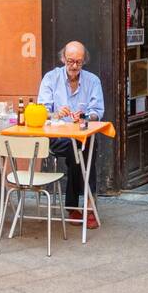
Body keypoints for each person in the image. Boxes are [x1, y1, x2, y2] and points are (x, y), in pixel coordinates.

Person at [37, 41, 105, 229]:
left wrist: (83, 117)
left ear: (84, 62)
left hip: (81, 135)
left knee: (84, 145)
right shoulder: (51, 78)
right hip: (56, 138)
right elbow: (43, 111)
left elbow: (97, 112)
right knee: (81, 150)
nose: (74, 66)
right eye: (70, 61)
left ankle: (76, 206)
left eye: (78, 62)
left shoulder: (92, 81)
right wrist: (55, 114)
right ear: (62, 59)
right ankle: (87, 206)